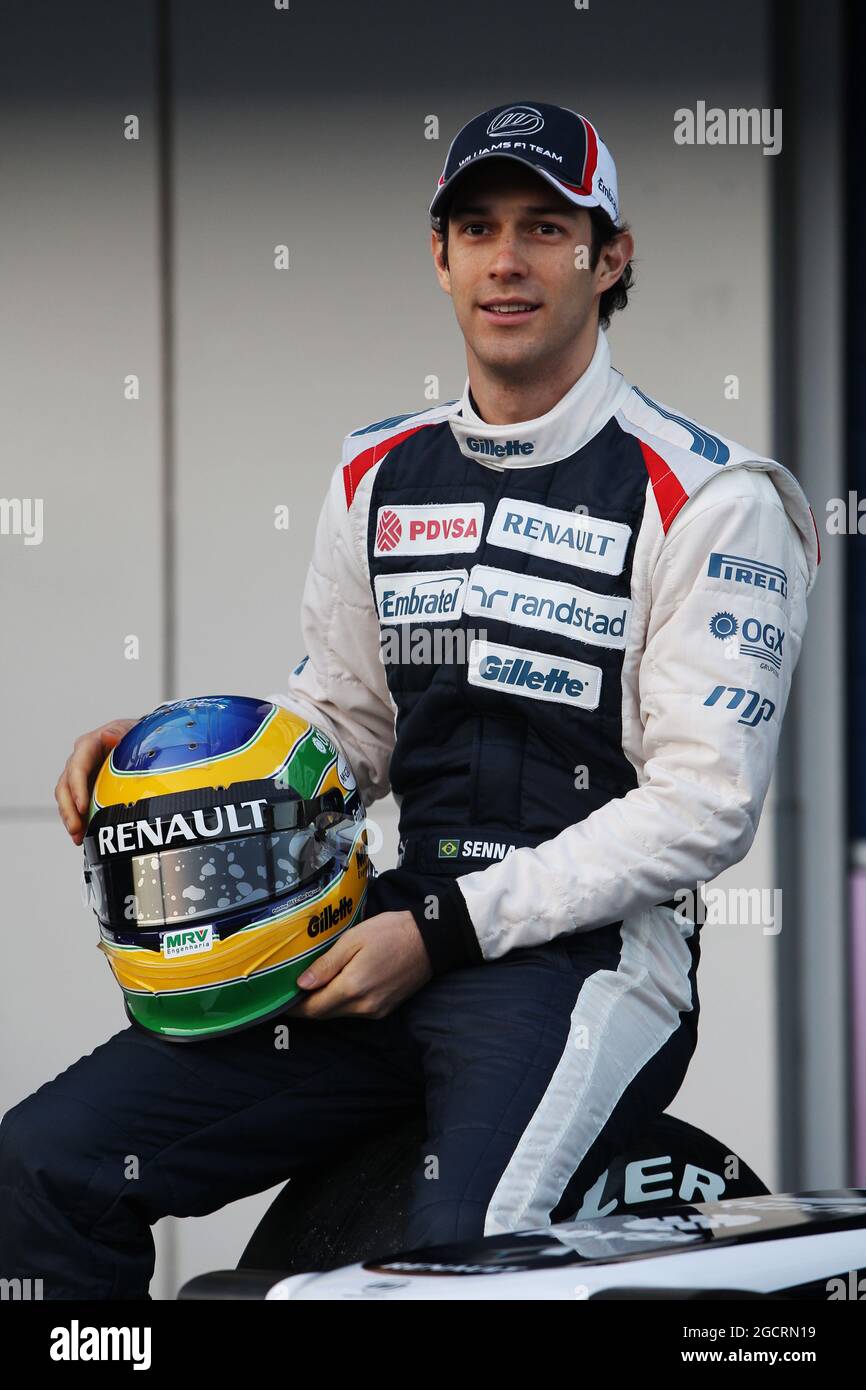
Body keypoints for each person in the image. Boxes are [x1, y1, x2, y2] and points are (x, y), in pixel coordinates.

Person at [0, 99, 818, 1298]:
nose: (507, 259)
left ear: (611, 256)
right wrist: (173, 753)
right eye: (477, 227)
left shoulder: (709, 496)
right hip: (382, 933)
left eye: (547, 227)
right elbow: (344, 729)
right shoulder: (376, 469)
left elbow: (703, 807)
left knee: (440, 1279)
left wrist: (442, 933)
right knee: (42, 1166)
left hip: (584, 966)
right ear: (437, 254)